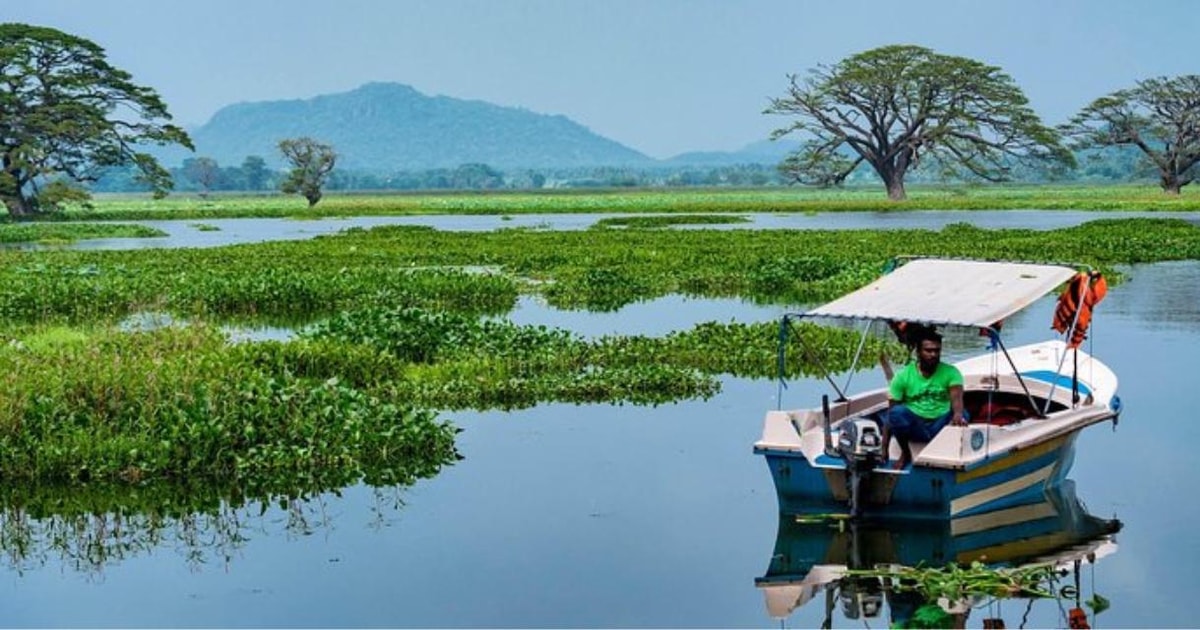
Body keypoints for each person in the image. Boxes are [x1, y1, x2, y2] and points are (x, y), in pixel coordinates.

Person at [881, 328, 966, 469]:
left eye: (937, 351)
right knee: (896, 413)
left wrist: (958, 414)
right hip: (916, 425)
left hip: (941, 423)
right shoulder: (903, 376)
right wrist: (884, 448)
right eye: (928, 350)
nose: (933, 354)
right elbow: (891, 414)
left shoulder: (951, 372)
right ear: (918, 352)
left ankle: (949, 453)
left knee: (964, 414)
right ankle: (906, 453)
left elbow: (957, 399)